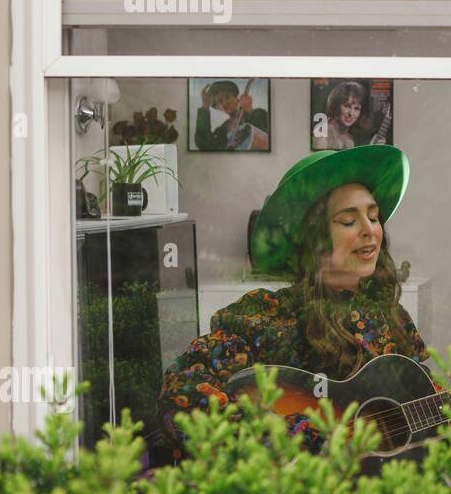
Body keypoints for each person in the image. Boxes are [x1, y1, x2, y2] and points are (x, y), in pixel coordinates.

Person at [157, 145, 425, 457]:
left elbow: (434, 410)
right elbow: (180, 398)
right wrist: (297, 439)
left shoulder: (393, 319)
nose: (370, 230)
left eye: (374, 216)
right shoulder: (265, 315)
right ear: (313, 239)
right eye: (348, 220)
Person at [194, 79, 271, 151]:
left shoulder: (259, 114)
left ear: (236, 98)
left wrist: (249, 111)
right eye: (220, 102)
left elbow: (265, 139)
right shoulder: (221, 131)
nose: (225, 103)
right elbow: (204, 144)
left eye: (228, 97)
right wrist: (205, 107)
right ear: (219, 109)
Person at [313, 80, 367, 151]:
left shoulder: (349, 139)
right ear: (336, 105)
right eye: (347, 106)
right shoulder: (322, 135)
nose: (351, 113)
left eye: (356, 108)